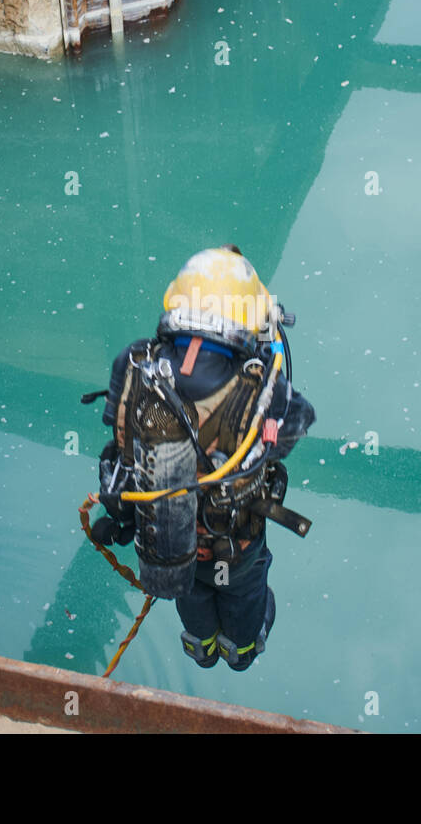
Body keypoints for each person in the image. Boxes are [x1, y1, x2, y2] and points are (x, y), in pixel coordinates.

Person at [87, 245, 315, 671]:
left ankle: (201, 647)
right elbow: (294, 427)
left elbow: (118, 447)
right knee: (244, 603)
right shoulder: (261, 388)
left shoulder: (135, 362)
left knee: (193, 602)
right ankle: (242, 650)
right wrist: (264, 355)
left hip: (169, 547)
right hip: (237, 549)